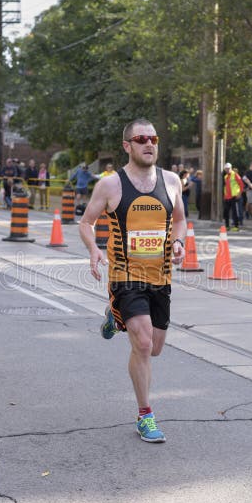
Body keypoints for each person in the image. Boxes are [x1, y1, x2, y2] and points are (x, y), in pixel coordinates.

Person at [79, 118, 185, 443]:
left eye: (153, 138)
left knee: (154, 349)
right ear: (127, 146)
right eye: (141, 139)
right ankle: (145, 416)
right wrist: (94, 250)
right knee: (141, 344)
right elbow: (86, 222)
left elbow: (180, 219)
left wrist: (179, 242)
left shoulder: (171, 181)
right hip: (125, 277)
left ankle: (115, 318)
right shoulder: (110, 185)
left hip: (160, 278)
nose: (149, 143)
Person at [223, 163, 244, 231]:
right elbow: (226, 186)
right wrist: (225, 195)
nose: (227, 170)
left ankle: (236, 226)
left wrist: (239, 193)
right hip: (227, 197)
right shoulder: (225, 176)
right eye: (226, 168)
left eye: (228, 168)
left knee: (234, 212)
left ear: (231, 168)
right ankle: (227, 226)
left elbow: (241, 184)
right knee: (226, 212)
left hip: (234, 196)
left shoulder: (235, 174)